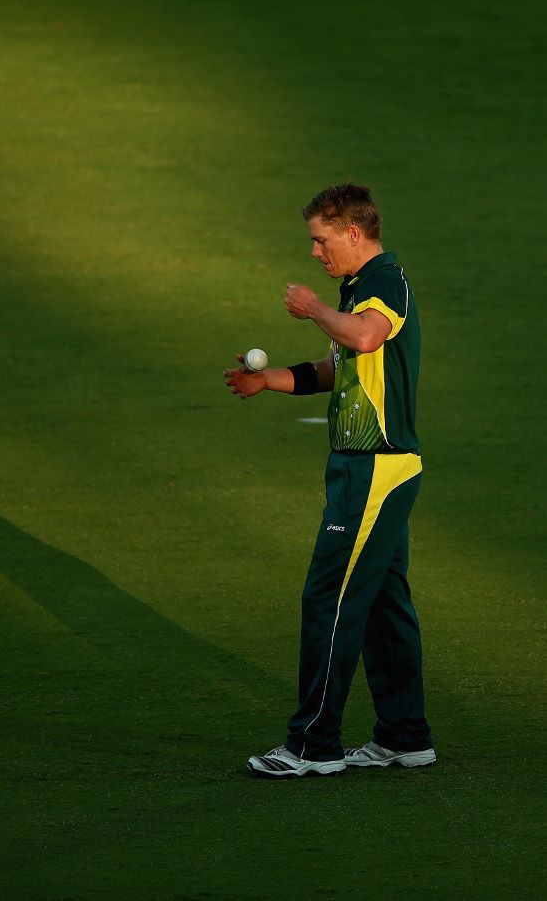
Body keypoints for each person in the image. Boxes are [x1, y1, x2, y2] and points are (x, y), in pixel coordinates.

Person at [224, 183, 435, 777]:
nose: (315, 251)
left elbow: (365, 336)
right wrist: (270, 382)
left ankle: (312, 746)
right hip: (365, 467)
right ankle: (404, 735)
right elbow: (339, 364)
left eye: (320, 239)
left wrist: (315, 309)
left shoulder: (383, 279)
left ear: (352, 231)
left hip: (375, 467)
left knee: (330, 600)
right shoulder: (358, 289)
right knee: (384, 603)